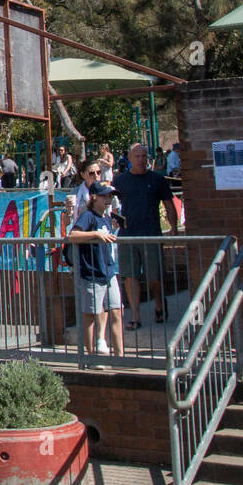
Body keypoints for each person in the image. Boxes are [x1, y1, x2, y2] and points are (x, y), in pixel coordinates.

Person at [112, 143, 180, 330]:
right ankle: (135, 316)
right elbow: (111, 206)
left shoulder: (157, 179)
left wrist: (173, 227)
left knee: (154, 277)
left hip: (151, 234)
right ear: (130, 158)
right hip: (127, 236)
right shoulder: (119, 181)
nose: (141, 160)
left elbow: (169, 204)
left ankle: (159, 303)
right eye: (137, 156)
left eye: (144, 156)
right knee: (130, 276)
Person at [67, 181, 125, 359]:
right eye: (105, 196)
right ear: (94, 197)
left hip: (108, 271)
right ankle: (91, 356)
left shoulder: (106, 217)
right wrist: (95, 234)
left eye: (110, 196)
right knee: (90, 314)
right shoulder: (88, 217)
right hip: (92, 272)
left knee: (116, 311)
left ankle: (120, 356)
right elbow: (73, 235)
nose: (108, 199)